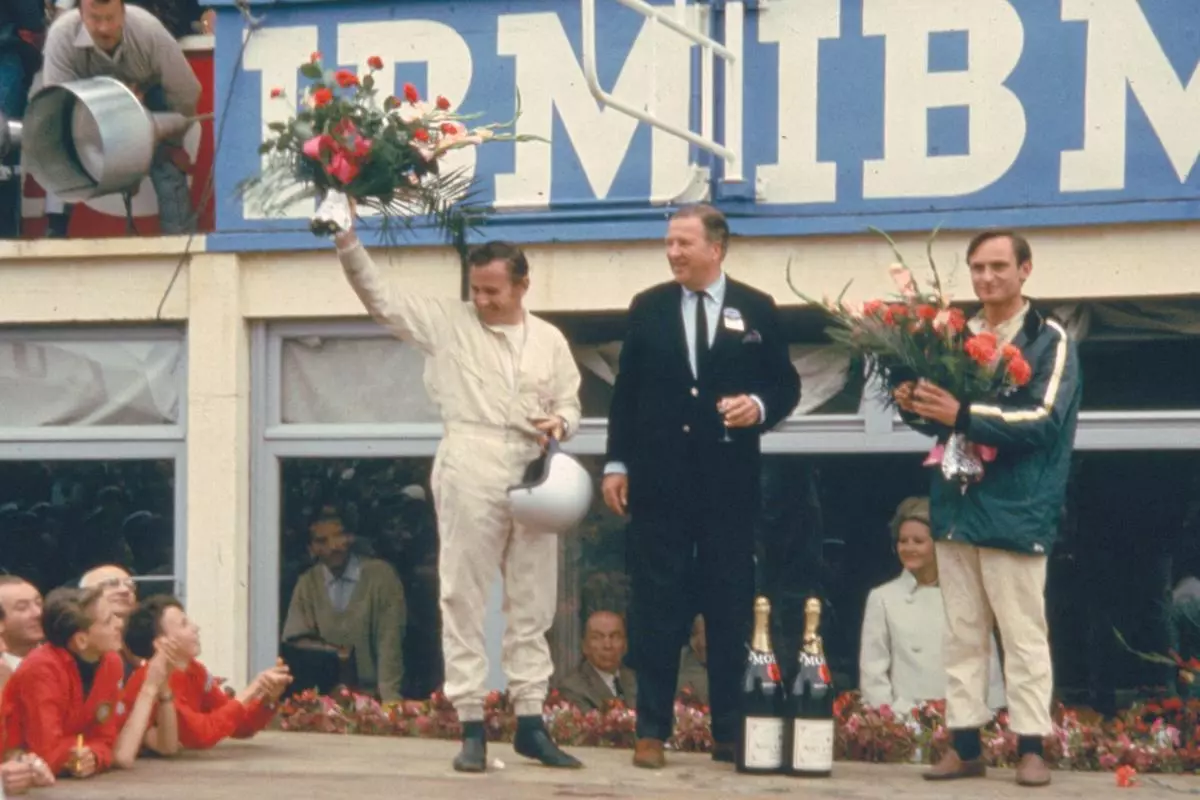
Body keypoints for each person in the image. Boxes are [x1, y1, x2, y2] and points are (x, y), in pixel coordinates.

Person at [333, 213, 584, 772]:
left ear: (523, 285)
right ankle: (471, 723)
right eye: (476, 289)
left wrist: (561, 426)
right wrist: (348, 243)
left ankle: (531, 721)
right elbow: (382, 301)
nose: (484, 300)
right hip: (470, 456)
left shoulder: (549, 338)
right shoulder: (449, 322)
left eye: (493, 290)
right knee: (463, 593)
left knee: (534, 595)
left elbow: (570, 400)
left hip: (534, 465)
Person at [602, 203, 801, 769]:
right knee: (657, 607)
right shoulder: (648, 308)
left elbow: (784, 385)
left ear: (717, 248)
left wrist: (758, 406)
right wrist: (618, 463)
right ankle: (651, 731)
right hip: (660, 486)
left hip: (727, 488)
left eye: (684, 243)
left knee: (729, 609)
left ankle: (729, 731)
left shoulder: (756, 308)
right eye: (668, 243)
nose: (673, 253)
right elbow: (626, 395)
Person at [894, 230, 1081, 787]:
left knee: (1022, 633)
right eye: (977, 267)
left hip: (1017, 509)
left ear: (1025, 270)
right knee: (962, 632)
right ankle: (966, 744)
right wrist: (914, 404)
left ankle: (1031, 748)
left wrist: (961, 413)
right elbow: (941, 418)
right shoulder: (953, 334)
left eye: (999, 266)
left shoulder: (1050, 340)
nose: (986, 278)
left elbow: (1043, 420)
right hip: (955, 504)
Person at [35, 0, 201, 235]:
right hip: (84, 110)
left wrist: (173, 140)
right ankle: (54, 235)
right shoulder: (61, 35)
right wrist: (112, 102)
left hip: (149, 98)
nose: (104, 28)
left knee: (170, 162)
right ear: (80, 15)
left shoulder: (148, 29)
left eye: (110, 18)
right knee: (62, 152)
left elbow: (186, 91)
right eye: (95, 19)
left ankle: (181, 236)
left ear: (124, 13)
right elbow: (58, 109)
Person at [858, 497, 1006, 715]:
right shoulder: (882, 597)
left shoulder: (966, 596)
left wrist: (990, 713)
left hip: (960, 720)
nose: (908, 548)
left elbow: (987, 660)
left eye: (918, 541)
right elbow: (873, 670)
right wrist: (889, 716)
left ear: (938, 545)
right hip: (904, 723)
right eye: (903, 540)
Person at [124, 595, 290, 751]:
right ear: (161, 643)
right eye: (184, 624)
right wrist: (253, 688)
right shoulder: (153, 680)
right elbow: (201, 735)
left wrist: (268, 699)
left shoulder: (195, 671)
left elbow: (239, 725)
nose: (196, 628)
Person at [280, 506, 405, 702]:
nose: (333, 546)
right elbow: (295, 642)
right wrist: (336, 656)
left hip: (374, 698)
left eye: (338, 536)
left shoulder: (381, 577)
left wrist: (390, 708)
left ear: (350, 538)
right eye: (322, 541)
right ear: (311, 548)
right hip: (324, 701)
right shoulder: (308, 583)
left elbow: (390, 647)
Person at [1, 586, 128, 777]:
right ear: (81, 641)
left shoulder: (112, 662)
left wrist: (93, 756)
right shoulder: (42, 668)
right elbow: (46, 750)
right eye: (108, 620)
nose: (119, 624)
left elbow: (106, 737)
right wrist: (79, 752)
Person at [555, 610, 637, 712]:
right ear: (584, 646)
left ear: (625, 645)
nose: (607, 645)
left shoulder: (637, 681)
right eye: (597, 637)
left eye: (615, 636)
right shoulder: (571, 688)